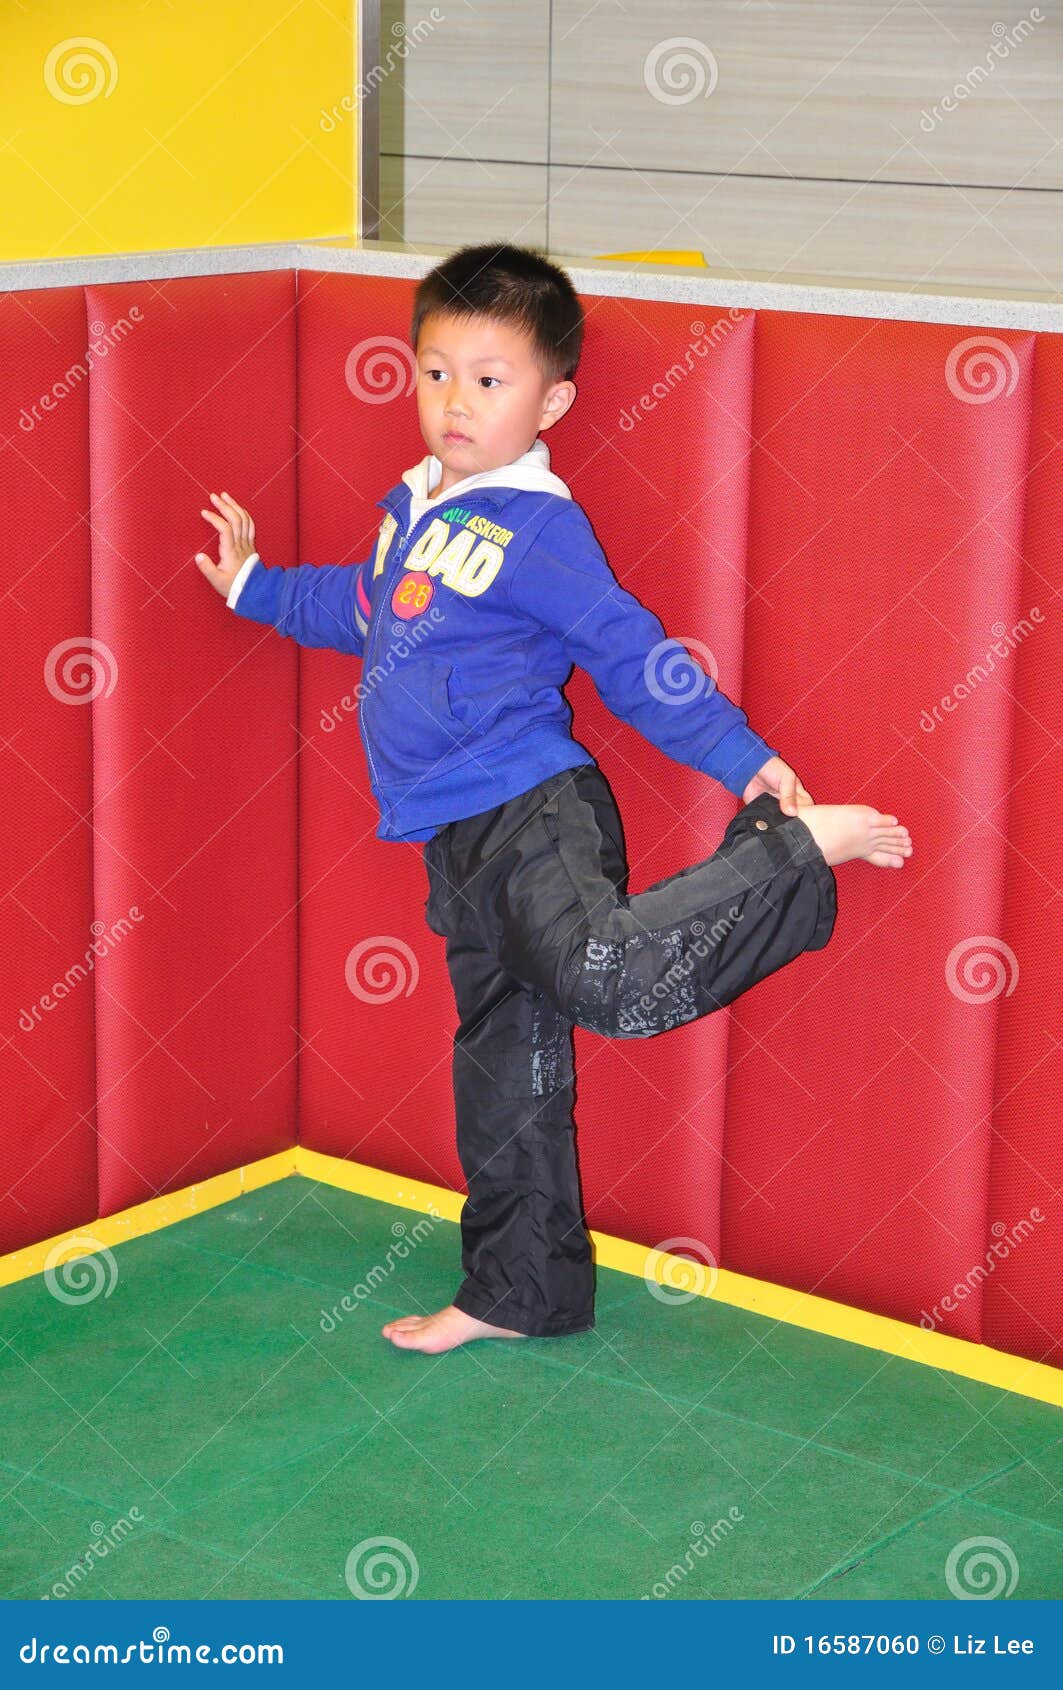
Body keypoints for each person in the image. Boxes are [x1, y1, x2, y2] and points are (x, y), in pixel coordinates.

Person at [195, 242, 912, 1356]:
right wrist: (255, 587)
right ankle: (516, 1289)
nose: (453, 402)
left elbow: (631, 656)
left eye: (489, 380)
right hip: (453, 837)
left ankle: (791, 855)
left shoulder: (538, 526)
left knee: (602, 974)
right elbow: (363, 607)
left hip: (535, 808)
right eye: (433, 372)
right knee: (503, 1060)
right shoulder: (413, 505)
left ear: (551, 399)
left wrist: (738, 757)